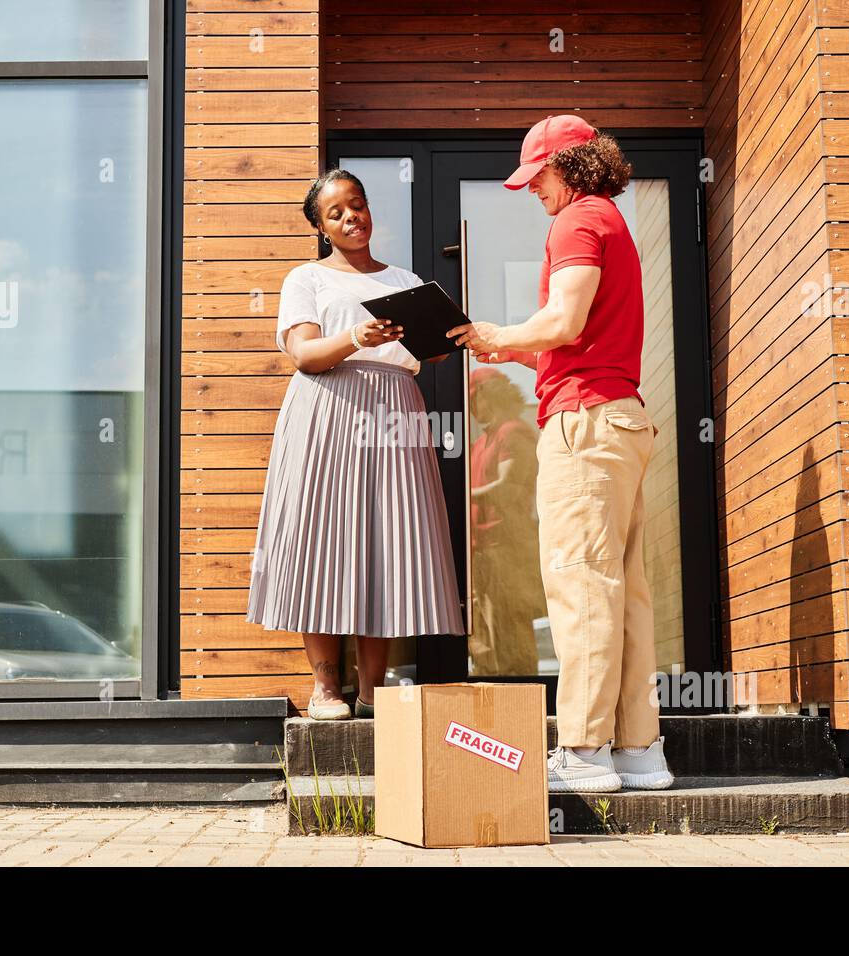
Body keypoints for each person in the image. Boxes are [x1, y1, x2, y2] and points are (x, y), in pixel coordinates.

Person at [448, 115, 675, 792]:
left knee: (580, 589)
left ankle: (581, 751)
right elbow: (579, 337)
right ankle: (639, 751)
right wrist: (510, 348)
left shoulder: (577, 221)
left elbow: (565, 321)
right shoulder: (611, 220)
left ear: (568, 167)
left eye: (536, 177)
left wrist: (501, 328)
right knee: (624, 593)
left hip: (584, 425)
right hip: (620, 419)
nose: (530, 192)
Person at [246, 169, 464, 721]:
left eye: (358, 205)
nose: (351, 218)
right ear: (321, 227)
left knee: (383, 546)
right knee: (323, 544)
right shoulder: (307, 278)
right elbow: (304, 355)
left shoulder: (403, 279)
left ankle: (373, 690)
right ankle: (325, 688)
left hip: (395, 414)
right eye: (336, 213)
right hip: (328, 411)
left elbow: (431, 354)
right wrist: (354, 337)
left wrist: (440, 333)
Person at [468, 367, 543, 676]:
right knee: (483, 639)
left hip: (507, 548)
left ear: (489, 394)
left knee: (510, 637)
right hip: (481, 549)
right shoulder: (481, 441)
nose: (472, 408)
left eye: (474, 398)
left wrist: (463, 496)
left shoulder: (513, 431)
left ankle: (520, 708)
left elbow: (508, 489)